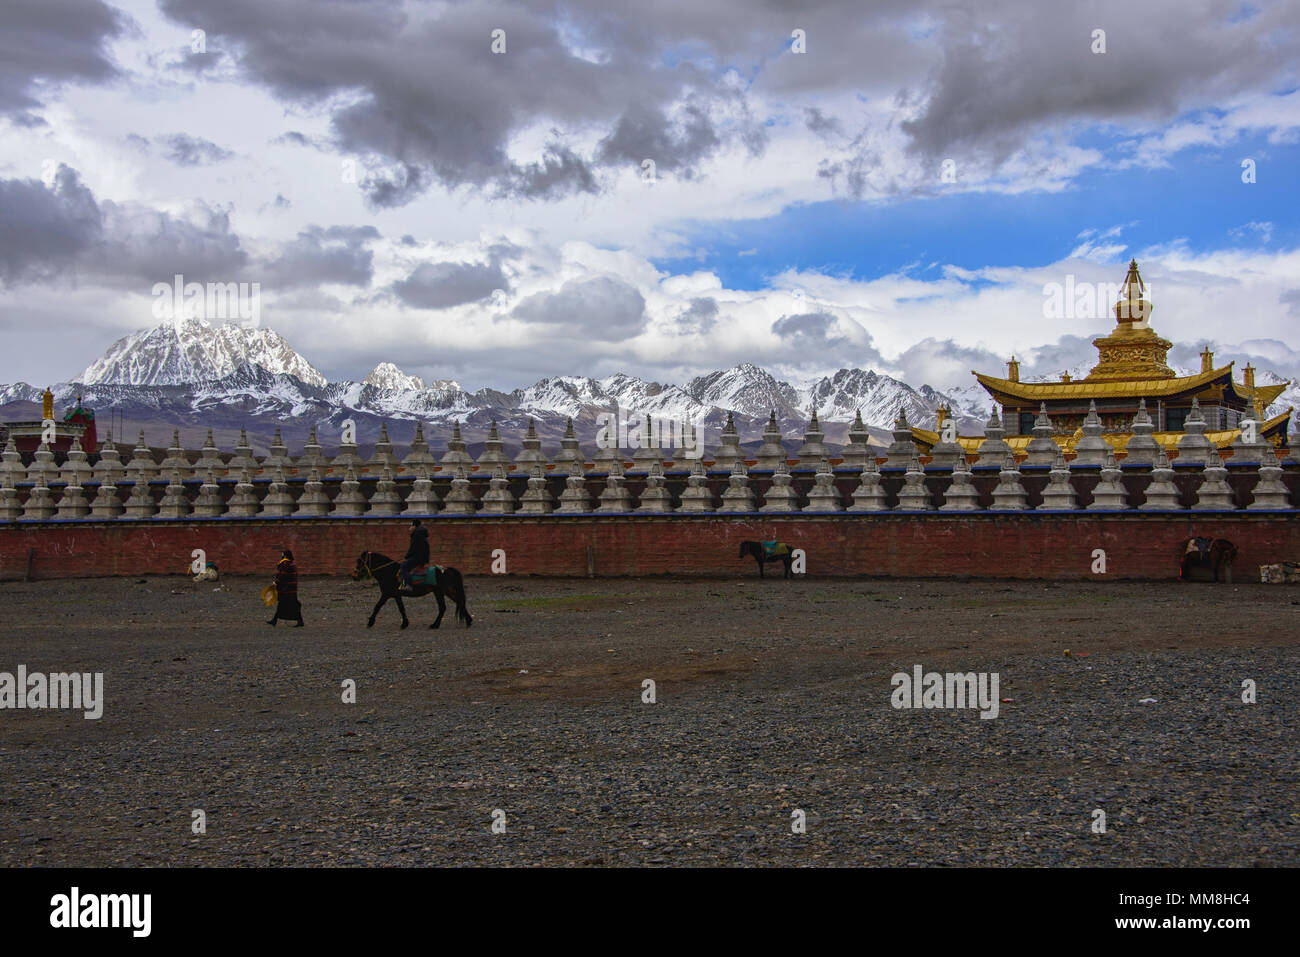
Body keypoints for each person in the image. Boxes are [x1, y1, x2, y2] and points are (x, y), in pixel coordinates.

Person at [267, 549, 304, 627]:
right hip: (292, 589)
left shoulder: (285, 563)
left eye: (282, 554)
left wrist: (275, 583)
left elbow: (282, 575)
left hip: (287, 589)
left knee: (284, 604)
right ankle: (274, 620)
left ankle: (299, 621)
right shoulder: (292, 564)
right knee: (288, 604)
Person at [399, 519, 430, 586]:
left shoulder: (416, 535)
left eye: (411, 526)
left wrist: (406, 557)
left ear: (414, 526)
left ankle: (407, 585)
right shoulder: (421, 534)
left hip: (418, 558)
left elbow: (413, 549)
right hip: (422, 558)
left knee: (403, 566)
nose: (409, 528)